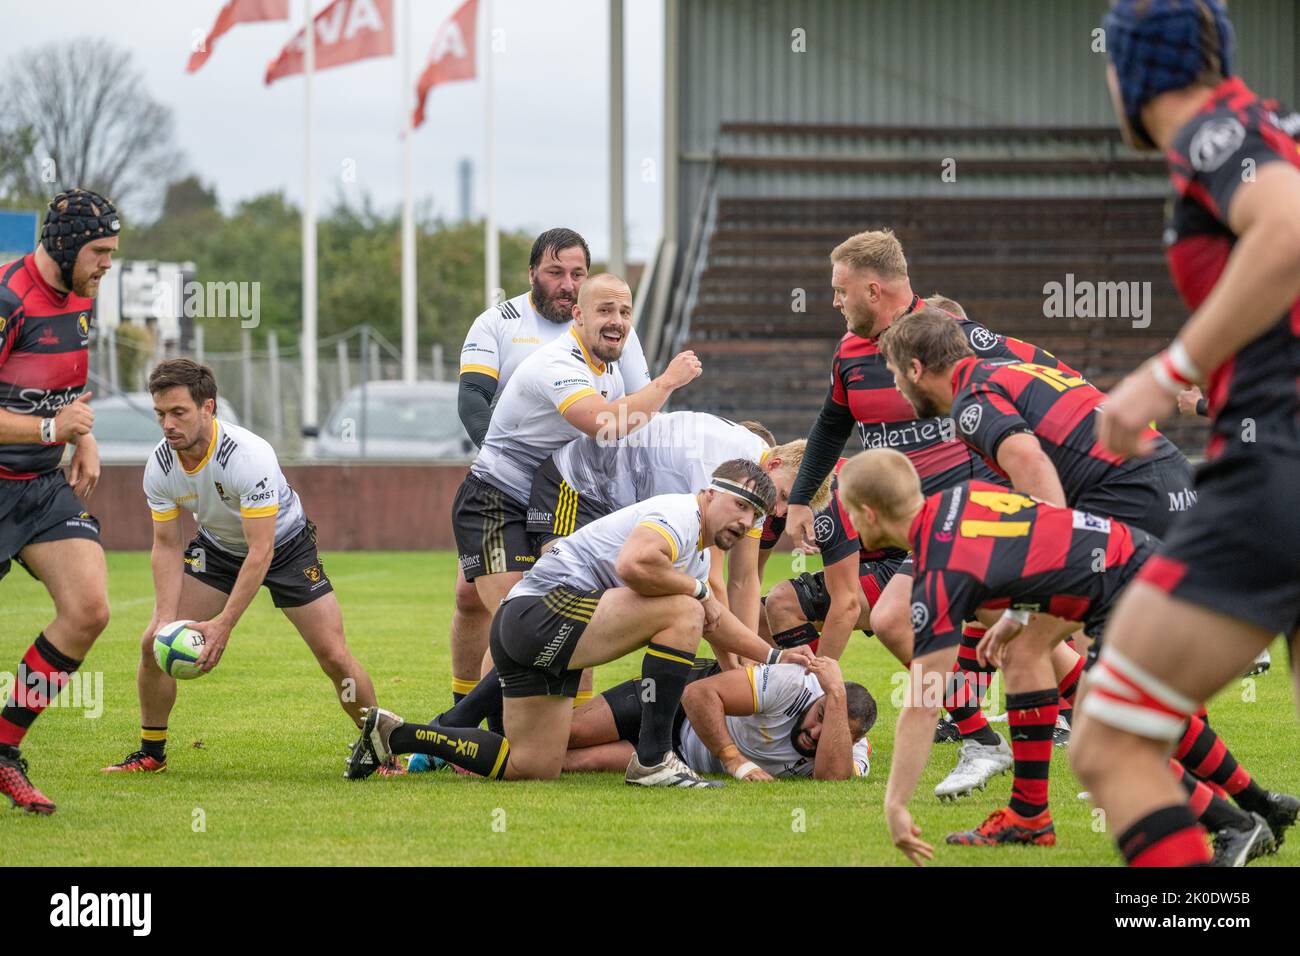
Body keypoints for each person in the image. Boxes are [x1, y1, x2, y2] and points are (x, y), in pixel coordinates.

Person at [1071, 0, 1300, 867]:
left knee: (1109, 740)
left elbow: (1287, 230)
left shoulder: (1214, 132)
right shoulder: (1278, 126)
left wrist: (1163, 376)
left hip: (1276, 466)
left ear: (1132, 70)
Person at [346, 460, 814, 786]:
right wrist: (694, 593)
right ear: (711, 493)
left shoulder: (694, 553)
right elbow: (635, 565)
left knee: (533, 766)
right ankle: (653, 760)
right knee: (685, 608)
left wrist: (773, 656)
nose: (746, 522)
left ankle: (395, 734)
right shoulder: (679, 514)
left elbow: (715, 622)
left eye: (754, 516)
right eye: (741, 506)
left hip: (531, 633)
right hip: (538, 614)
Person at [838, 450, 1166, 861]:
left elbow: (923, 702)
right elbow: (1036, 544)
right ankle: (1030, 814)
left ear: (869, 513)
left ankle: (1238, 814)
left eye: (849, 512)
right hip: (1146, 561)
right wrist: (1013, 616)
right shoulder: (961, 498)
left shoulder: (942, 567)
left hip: (1140, 586)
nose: (848, 522)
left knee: (1140, 765)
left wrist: (895, 805)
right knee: (1026, 656)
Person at [103, 360, 389, 773]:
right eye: (160, 414)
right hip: (218, 549)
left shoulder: (247, 456)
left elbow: (261, 551)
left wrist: (223, 626)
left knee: (334, 657)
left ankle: (381, 754)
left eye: (178, 412)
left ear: (208, 408)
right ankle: (151, 753)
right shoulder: (161, 465)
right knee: (152, 642)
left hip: (286, 547)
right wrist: (164, 617)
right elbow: (166, 545)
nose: (168, 424)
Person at [448, 229, 656, 708]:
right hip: (502, 489)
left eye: (577, 274)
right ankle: (462, 717)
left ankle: (567, 726)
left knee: (559, 611)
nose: (566, 283)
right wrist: (506, 462)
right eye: (555, 272)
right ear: (532, 274)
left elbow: (640, 410)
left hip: (569, 497)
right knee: (494, 609)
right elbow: (473, 400)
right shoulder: (500, 321)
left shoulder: (611, 329)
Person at [0, 188, 117, 813]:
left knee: (89, 609)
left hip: (42, 488)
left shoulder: (80, 300)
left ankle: (3, 749)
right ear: (67, 246)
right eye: (100, 252)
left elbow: (67, 387)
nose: (106, 265)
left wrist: (86, 439)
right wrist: (51, 429)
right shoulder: (8, 297)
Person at [529, 410, 832, 637]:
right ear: (775, 464)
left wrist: (749, 664)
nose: (778, 512)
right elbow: (714, 581)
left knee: (602, 617)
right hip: (579, 484)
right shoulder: (729, 468)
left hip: (616, 499)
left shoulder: (756, 478)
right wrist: (742, 665)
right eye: (783, 497)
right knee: (558, 613)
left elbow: (744, 579)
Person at [563, 656, 875, 781]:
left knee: (572, 762)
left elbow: (832, 779)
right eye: (819, 714)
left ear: (856, 740)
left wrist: (836, 699)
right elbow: (698, 695)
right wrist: (734, 760)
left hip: (680, 757)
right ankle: (514, 724)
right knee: (569, 733)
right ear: (816, 695)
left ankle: (514, 758)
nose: (816, 732)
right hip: (675, 701)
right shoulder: (792, 684)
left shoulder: (849, 753)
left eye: (832, 725)